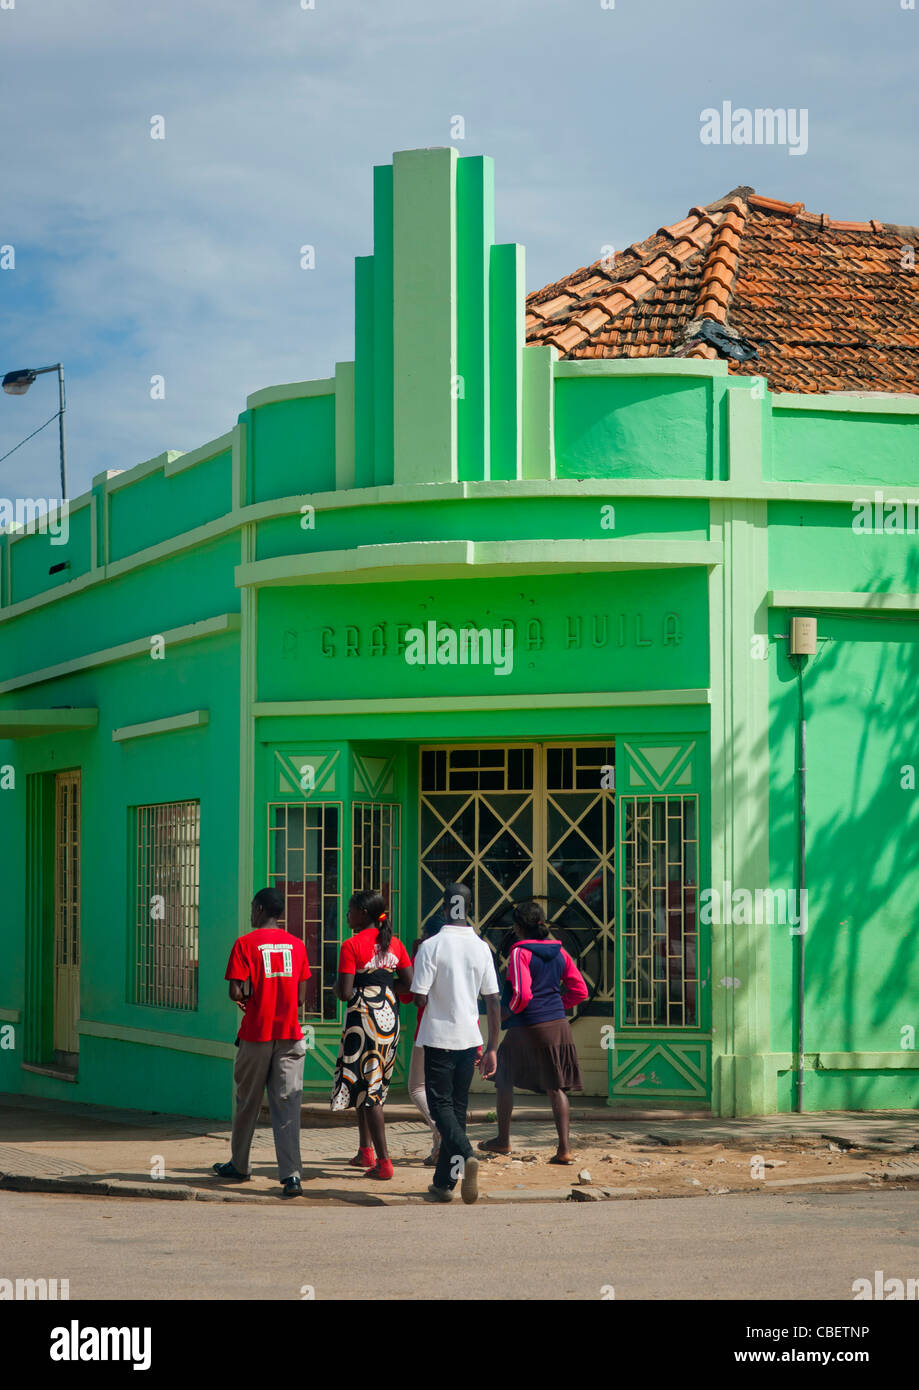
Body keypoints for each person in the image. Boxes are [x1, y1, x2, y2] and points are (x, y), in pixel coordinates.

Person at [213, 886, 311, 1198]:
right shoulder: (297, 945)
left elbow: (235, 992)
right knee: (287, 1105)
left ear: (258, 910)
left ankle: (239, 1164)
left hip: (256, 1035)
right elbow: (300, 998)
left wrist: (250, 996)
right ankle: (292, 1176)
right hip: (290, 1036)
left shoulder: (244, 944)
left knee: (247, 1102)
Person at [479, 900, 588, 1165]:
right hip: (558, 1026)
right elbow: (580, 991)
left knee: (503, 1076)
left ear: (517, 927)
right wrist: (556, 1007)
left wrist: (508, 1013)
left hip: (528, 1025)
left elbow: (522, 994)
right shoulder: (560, 952)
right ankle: (564, 1150)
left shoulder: (519, 952)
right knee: (556, 1086)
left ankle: (502, 1140)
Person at [412, 882, 501, 1204]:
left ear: (444, 908)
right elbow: (492, 999)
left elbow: (419, 998)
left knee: (441, 1106)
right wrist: (492, 1047)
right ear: (469, 908)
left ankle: (466, 1153)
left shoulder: (431, 946)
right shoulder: (481, 948)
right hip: (470, 1040)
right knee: (457, 1109)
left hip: (439, 1037)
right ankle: (445, 1183)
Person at [331, 889, 413, 1180]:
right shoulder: (397, 946)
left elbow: (343, 992)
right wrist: (384, 989)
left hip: (363, 1021)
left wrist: (346, 989)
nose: (347, 915)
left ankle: (384, 1162)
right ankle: (365, 1151)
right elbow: (409, 986)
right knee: (368, 1085)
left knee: (370, 1091)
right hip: (389, 1021)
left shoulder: (351, 946)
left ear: (363, 914)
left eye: (350, 910)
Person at [398, 920, 443, 1167]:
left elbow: (407, 996)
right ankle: (438, 1148)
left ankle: (443, 1132)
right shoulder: (464, 954)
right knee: (441, 1093)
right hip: (460, 1035)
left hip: (427, 1032)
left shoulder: (424, 955)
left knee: (417, 1088)